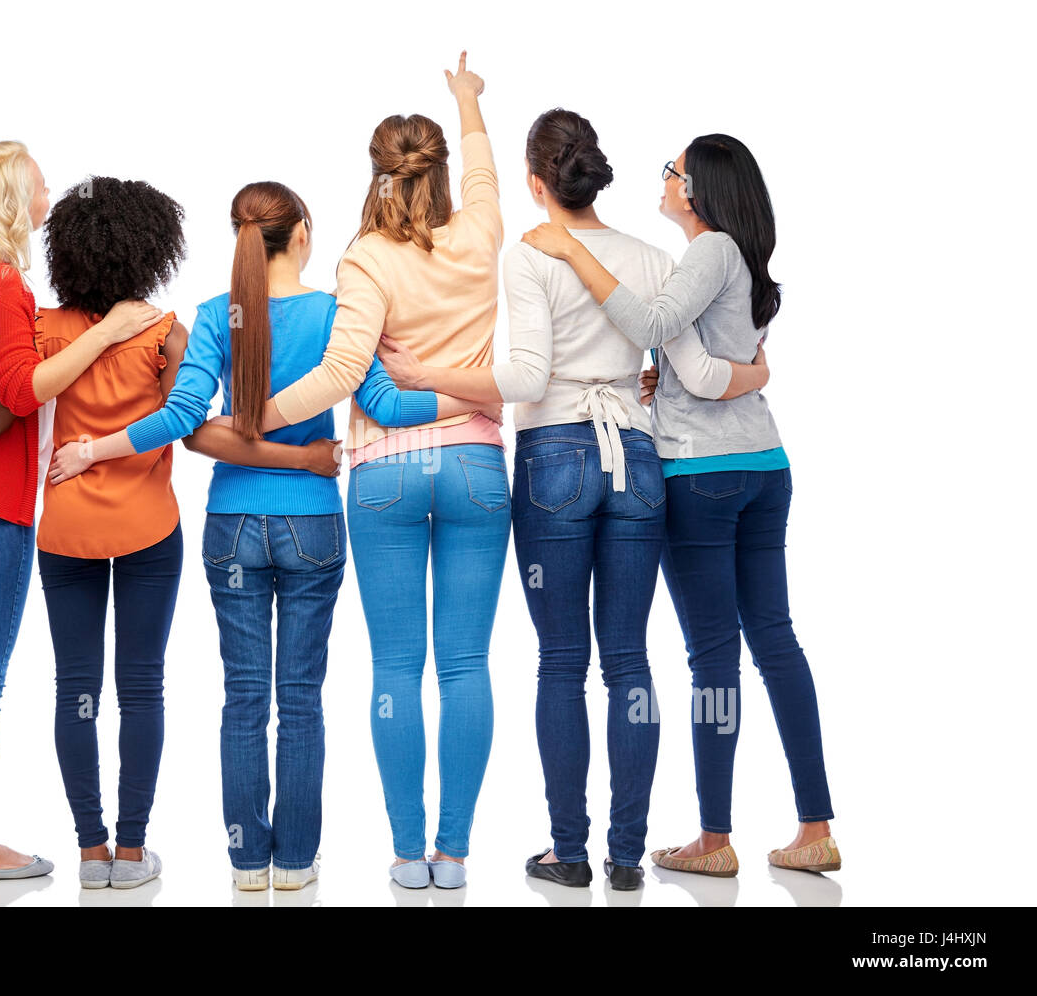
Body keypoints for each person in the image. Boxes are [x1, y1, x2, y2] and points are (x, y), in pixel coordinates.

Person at [49, 180, 481, 890]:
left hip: (234, 529)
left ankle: (248, 860)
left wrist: (95, 448)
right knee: (301, 698)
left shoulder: (218, 316)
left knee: (245, 696)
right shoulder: (337, 313)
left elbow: (184, 420)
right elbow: (381, 402)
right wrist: (476, 391)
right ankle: (295, 862)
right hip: (312, 519)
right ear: (303, 233)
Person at [378, 109, 763, 890]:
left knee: (561, 662)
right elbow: (683, 360)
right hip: (639, 460)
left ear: (534, 182)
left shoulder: (532, 255)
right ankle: (628, 855)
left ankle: (569, 851)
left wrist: (427, 378)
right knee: (629, 660)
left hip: (556, 459)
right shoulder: (656, 256)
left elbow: (523, 379)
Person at [522, 133, 839, 877]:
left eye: (672, 171)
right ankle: (815, 822)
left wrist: (571, 250)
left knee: (713, 661)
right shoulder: (746, 261)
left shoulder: (708, 250)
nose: (663, 179)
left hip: (704, 475)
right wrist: (736, 374)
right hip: (765, 464)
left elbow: (668, 342)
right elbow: (702, 364)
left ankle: (715, 835)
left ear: (695, 190)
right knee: (776, 641)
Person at [254, 52, 508, 889]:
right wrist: (469, 100)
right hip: (475, 462)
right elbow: (482, 169)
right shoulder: (481, 233)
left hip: (386, 477)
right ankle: (456, 853)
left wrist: (261, 413)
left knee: (397, 665)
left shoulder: (364, 256)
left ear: (379, 175)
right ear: (440, 172)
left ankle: (407, 854)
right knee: (466, 663)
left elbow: (337, 375)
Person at [0, 142, 162, 882]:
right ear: (9, 199)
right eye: (37, 180)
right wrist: (109, 331)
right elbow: (22, 394)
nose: (48, 187)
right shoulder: (7, 284)